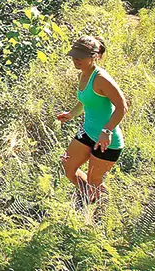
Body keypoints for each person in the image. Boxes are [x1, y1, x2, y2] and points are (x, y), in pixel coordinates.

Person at [56, 35, 127, 203]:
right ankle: (90, 196)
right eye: (74, 55)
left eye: (81, 56)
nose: (76, 59)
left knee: (93, 183)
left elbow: (122, 107)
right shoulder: (83, 74)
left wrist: (106, 131)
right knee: (67, 165)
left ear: (94, 57)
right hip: (88, 132)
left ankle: (93, 209)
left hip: (106, 141)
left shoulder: (101, 78)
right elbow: (85, 101)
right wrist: (72, 114)